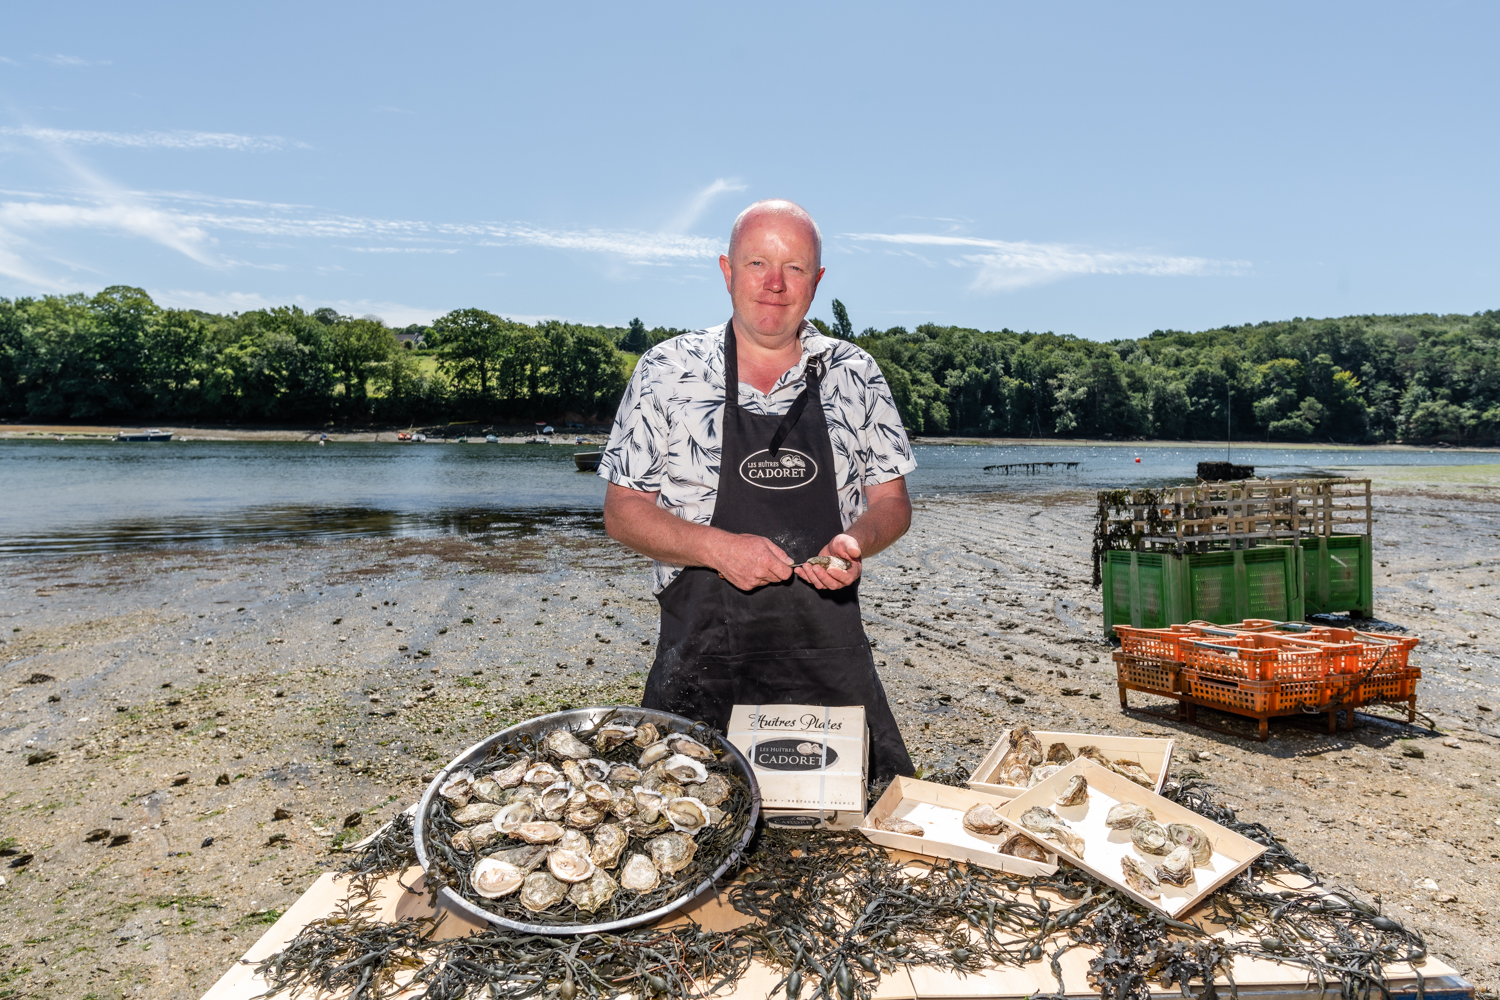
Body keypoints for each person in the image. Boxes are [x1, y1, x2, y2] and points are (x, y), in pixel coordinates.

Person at [598, 199, 916, 781]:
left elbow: (892, 504)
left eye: (794, 268)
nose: (774, 284)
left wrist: (855, 544)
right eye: (756, 264)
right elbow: (622, 513)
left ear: (817, 282)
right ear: (726, 271)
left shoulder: (856, 372)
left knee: (855, 823)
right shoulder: (667, 370)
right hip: (701, 652)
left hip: (827, 644)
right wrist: (718, 549)